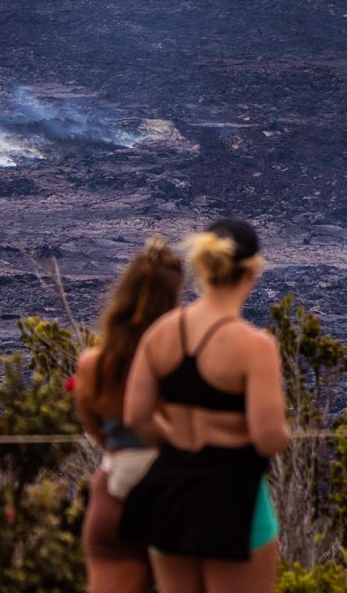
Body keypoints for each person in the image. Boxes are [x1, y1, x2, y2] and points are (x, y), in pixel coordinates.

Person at [121, 219, 292, 593]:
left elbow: (136, 415)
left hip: (170, 493)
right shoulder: (254, 346)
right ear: (252, 273)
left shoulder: (162, 332)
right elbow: (268, 439)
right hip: (234, 498)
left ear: (201, 268)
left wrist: (176, 445)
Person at [74, 237, 184, 593]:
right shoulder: (181, 363)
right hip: (177, 496)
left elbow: (97, 432)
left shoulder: (93, 366)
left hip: (115, 493)